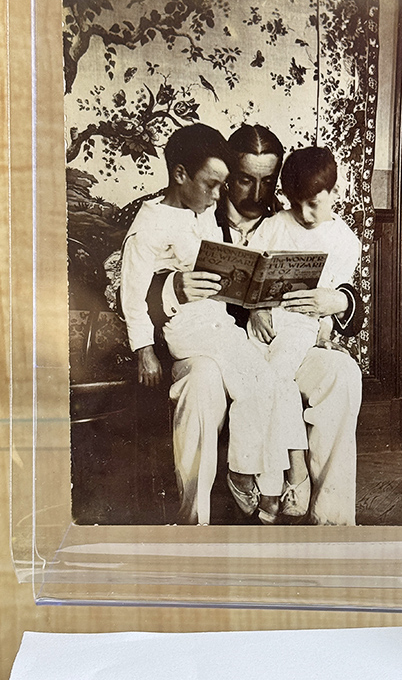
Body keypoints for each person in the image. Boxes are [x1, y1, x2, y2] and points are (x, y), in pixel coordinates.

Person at [149, 124, 363, 526]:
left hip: (283, 340)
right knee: (201, 383)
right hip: (211, 349)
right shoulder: (189, 211)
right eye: (246, 180)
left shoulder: (291, 219)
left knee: (342, 374)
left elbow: (343, 282)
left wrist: (337, 301)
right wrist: (175, 286)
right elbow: (135, 282)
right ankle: (193, 522)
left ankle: (331, 522)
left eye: (268, 182)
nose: (257, 193)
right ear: (228, 173)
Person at [120, 123, 290, 521]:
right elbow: (130, 296)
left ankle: (250, 479)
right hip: (188, 333)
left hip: (218, 328)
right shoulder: (147, 228)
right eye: (211, 185)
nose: (219, 196)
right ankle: (241, 481)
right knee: (256, 383)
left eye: (222, 186)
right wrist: (144, 352)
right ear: (179, 175)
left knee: (264, 383)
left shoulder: (203, 212)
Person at [246, 146, 361, 519]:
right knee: (272, 378)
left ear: (335, 192)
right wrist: (258, 308)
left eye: (314, 204)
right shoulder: (274, 226)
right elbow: (248, 281)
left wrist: (330, 318)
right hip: (265, 335)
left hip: (305, 335)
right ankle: (284, 477)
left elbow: (341, 298)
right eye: (297, 205)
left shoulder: (343, 239)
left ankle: (329, 512)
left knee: (335, 375)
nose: (306, 214)